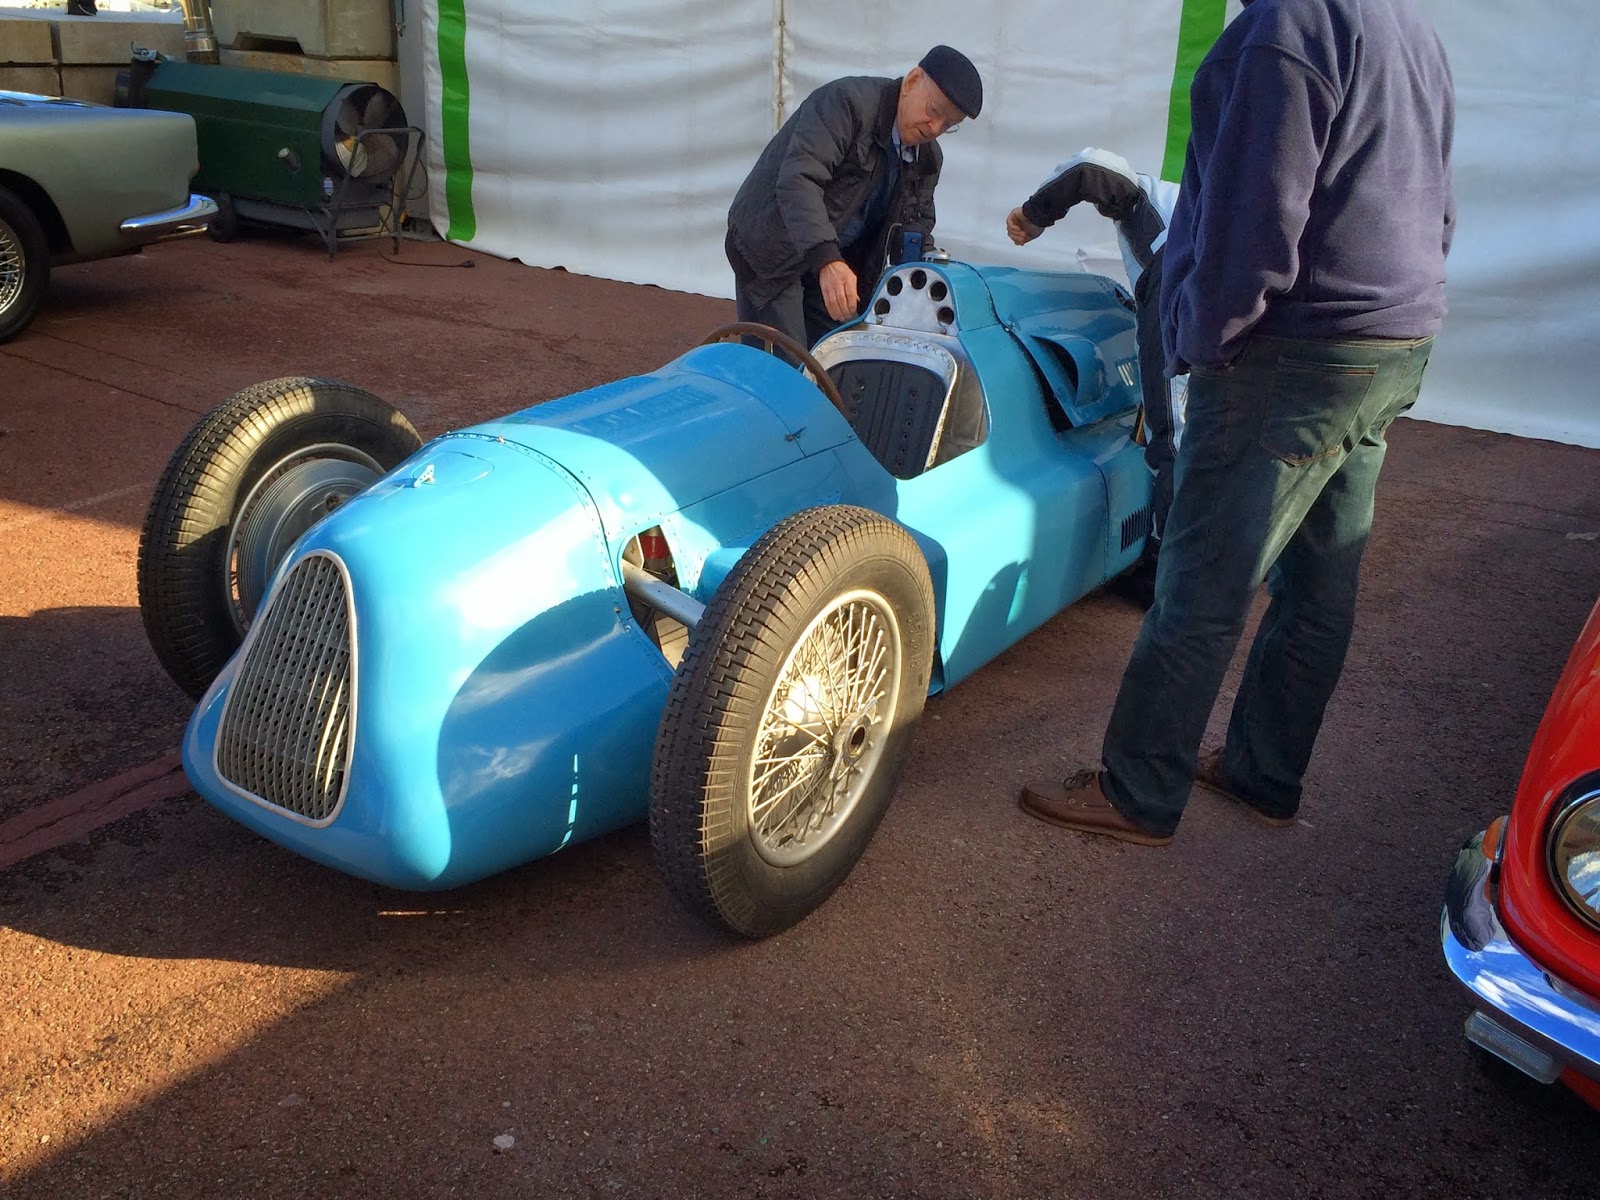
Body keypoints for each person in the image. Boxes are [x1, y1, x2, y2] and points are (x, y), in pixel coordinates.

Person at [1019, 0, 1455, 845]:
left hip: (1296, 353)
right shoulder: (1411, 28)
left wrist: (1200, 340)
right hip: (1395, 339)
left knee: (1204, 575)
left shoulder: (1282, 31)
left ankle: (1138, 790)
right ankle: (1265, 773)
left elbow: (1251, 222)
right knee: (1321, 578)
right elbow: (1439, 201)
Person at [1005, 148, 1183, 597]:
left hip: (1183, 290)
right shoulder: (1187, 203)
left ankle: (1166, 576)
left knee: (1174, 437)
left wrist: (1032, 215)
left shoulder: (1143, 200)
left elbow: (1089, 167)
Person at [725, 45, 983, 350]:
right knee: (786, 368)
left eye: (949, 126)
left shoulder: (927, 159)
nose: (935, 129)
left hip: (830, 261)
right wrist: (828, 261)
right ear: (912, 82)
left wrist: (930, 272)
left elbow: (917, 226)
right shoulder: (847, 104)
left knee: (841, 357)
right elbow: (799, 180)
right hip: (770, 249)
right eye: (934, 111)